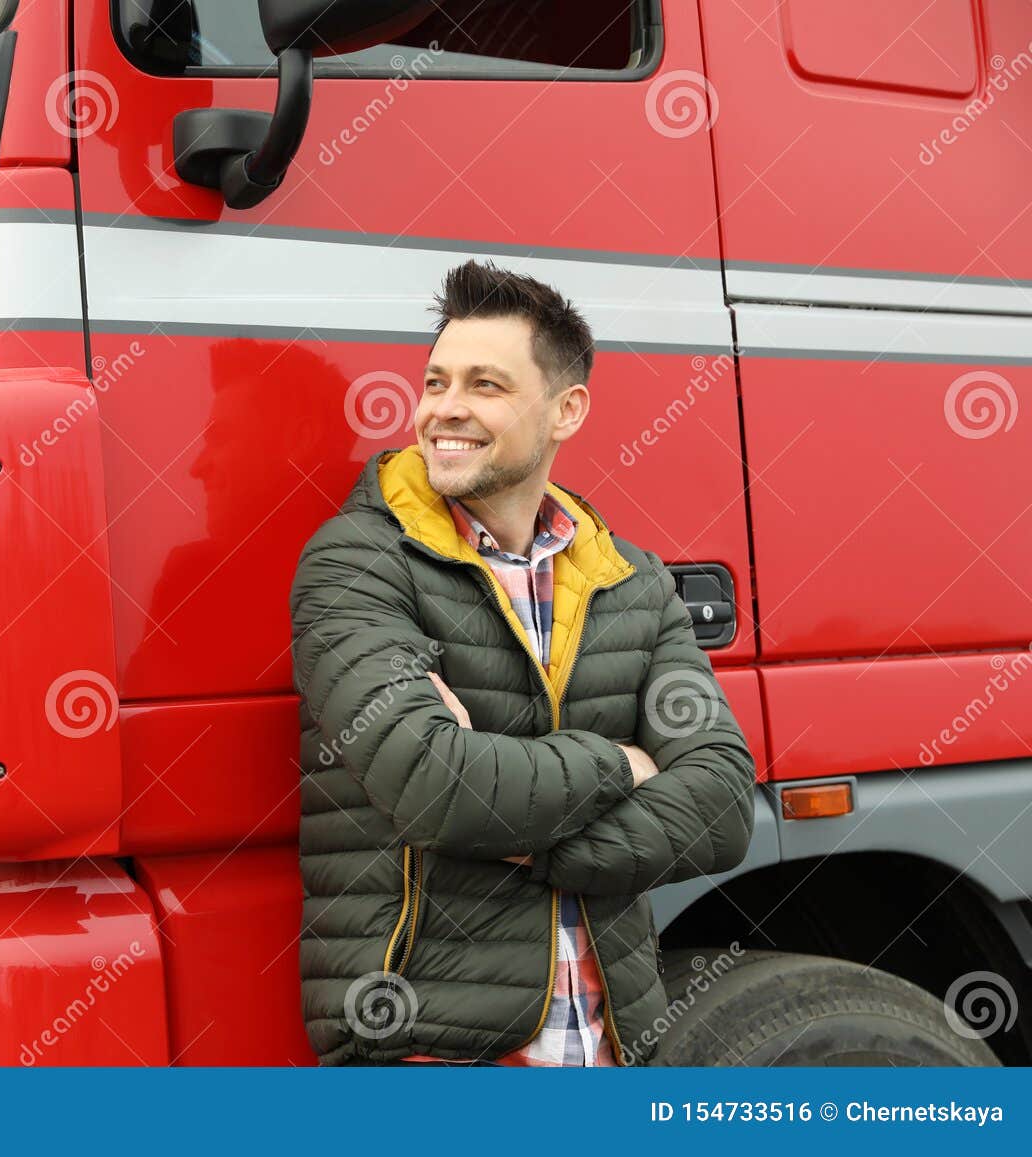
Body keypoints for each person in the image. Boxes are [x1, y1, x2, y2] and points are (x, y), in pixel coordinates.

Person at [289, 259, 756, 1067]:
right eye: (435, 382)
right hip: (431, 1053)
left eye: (486, 385)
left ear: (566, 409)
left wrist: (526, 836)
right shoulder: (358, 564)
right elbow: (436, 787)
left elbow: (722, 805)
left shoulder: (629, 578)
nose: (445, 409)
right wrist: (625, 760)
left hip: (614, 1045)